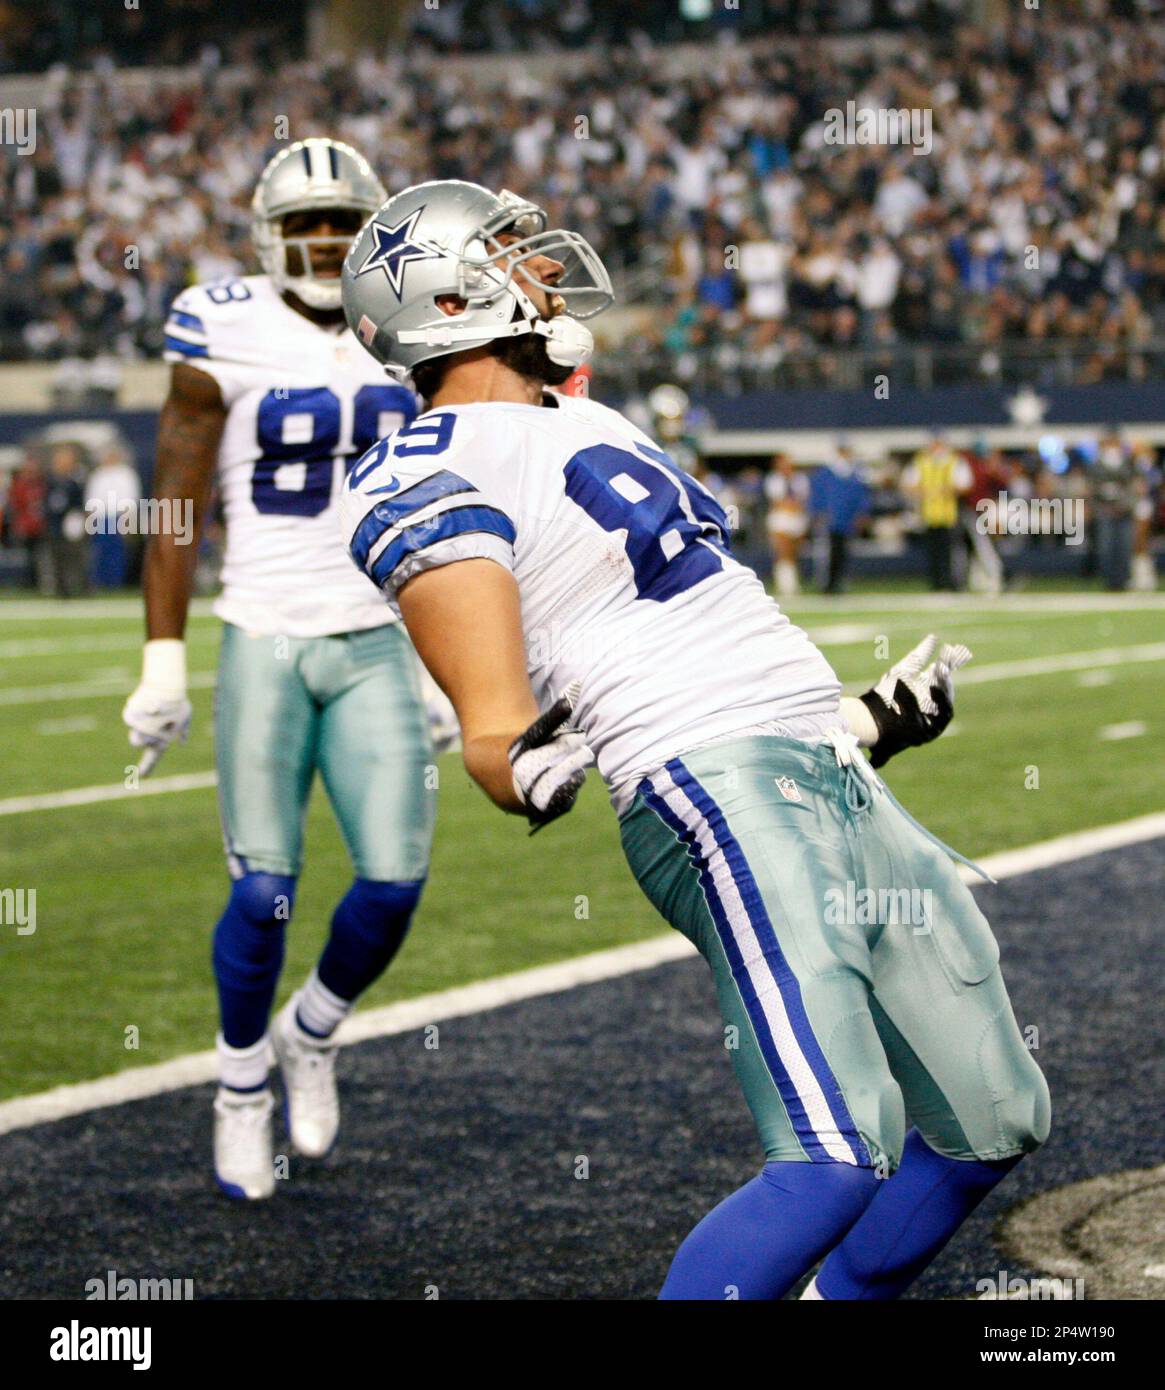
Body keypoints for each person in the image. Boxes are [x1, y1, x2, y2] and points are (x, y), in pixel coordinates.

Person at [339, 180, 1049, 1300]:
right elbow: (491, 725)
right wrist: (518, 763)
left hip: (827, 770)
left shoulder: (588, 418)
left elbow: (690, 616)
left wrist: (860, 723)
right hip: (708, 784)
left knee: (995, 1116)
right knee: (831, 1154)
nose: (543, 267)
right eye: (512, 253)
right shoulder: (424, 461)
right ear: (447, 292)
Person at [122, 140, 434, 1202]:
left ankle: (314, 1030)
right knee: (262, 892)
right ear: (268, 232)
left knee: (393, 882)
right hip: (264, 628)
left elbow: (458, 492)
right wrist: (163, 655)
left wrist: (456, 659)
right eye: (303, 224)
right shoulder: (220, 321)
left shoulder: (414, 324)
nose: (321, 241)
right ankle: (241, 1083)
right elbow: (177, 495)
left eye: (340, 221)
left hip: (379, 636)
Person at [901, 433, 972, 591]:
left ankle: (952, 582)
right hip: (929, 514)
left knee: (950, 551)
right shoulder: (921, 461)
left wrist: (946, 490)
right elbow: (908, 484)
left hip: (949, 515)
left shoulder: (954, 461)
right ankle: (937, 583)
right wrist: (924, 491)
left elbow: (965, 485)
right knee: (933, 552)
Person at [809, 441, 869, 595]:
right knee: (826, 553)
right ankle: (826, 584)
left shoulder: (855, 473)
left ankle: (840, 583)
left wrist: (861, 513)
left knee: (844, 553)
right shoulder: (826, 473)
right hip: (829, 519)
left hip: (846, 520)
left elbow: (861, 496)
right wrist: (818, 513)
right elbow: (818, 495)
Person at [43, 443, 89, 597]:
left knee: (75, 557)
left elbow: (80, 502)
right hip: (55, 524)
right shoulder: (50, 480)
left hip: (71, 523)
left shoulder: (76, 480)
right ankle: (62, 590)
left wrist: (78, 520)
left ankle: (82, 588)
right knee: (57, 557)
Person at [765, 452, 808, 597]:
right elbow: (777, 502)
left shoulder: (800, 479)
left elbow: (802, 500)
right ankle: (786, 586)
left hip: (797, 519)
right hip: (780, 519)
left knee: (793, 553)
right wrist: (789, 505)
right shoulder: (773, 480)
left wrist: (793, 506)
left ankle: (792, 583)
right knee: (782, 551)